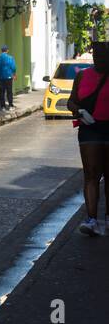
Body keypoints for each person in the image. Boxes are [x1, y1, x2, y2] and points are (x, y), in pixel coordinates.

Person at [66, 41, 109, 236]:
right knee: (91, 174)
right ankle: (92, 219)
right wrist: (78, 110)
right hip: (89, 128)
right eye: (97, 57)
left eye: (103, 57)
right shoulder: (82, 76)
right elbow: (71, 101)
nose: (99, 60)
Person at [0, 45, 16, 109]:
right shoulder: (11, 58)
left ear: (1, 50)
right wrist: (14, 75)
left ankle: (2, 106)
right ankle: (10, 105)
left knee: (2, 92)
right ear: (7, 50)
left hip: (0, 77)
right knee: (9, 91)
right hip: (9, 77)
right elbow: (13, 67)